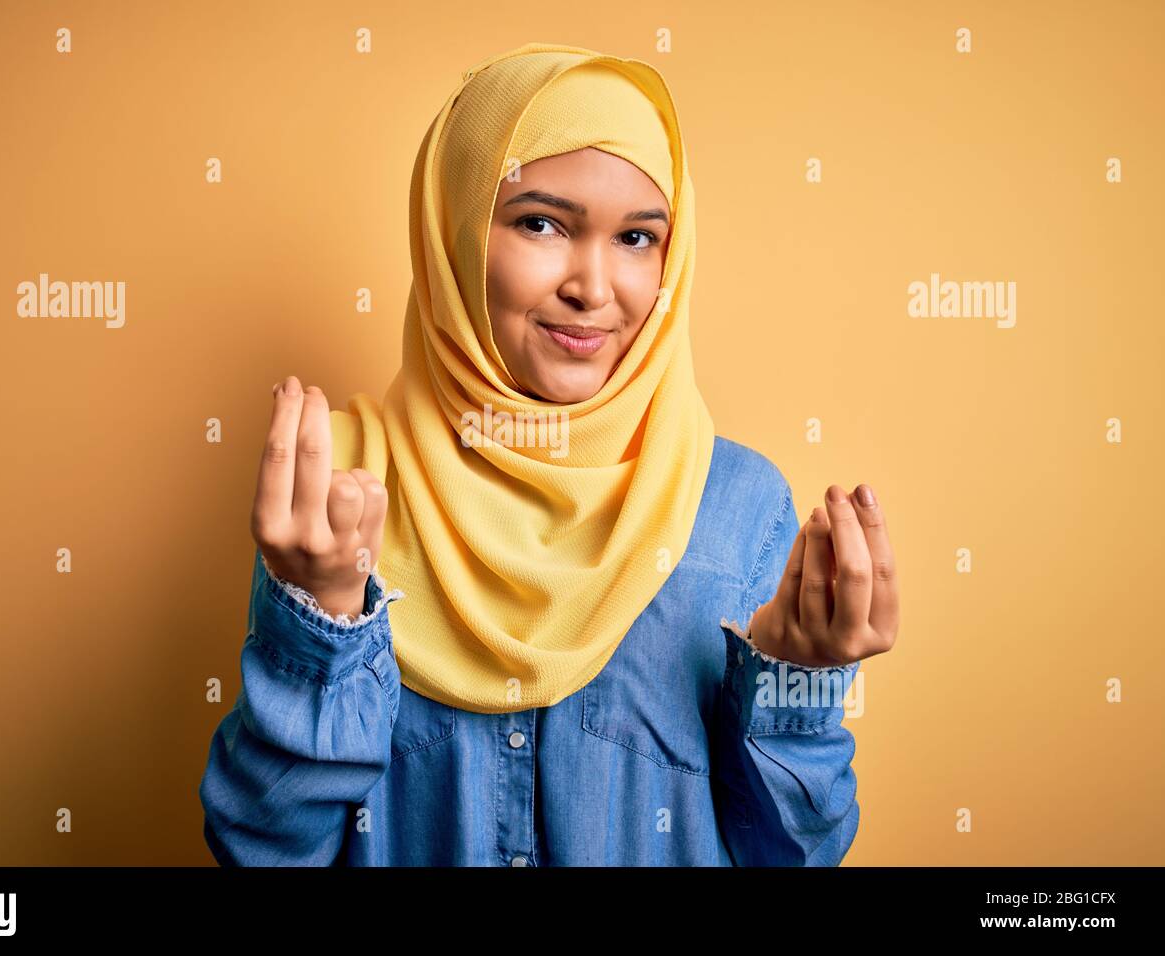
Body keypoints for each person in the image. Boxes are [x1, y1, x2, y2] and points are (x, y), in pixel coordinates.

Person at [199, 41, 899, 866]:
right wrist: (320, 620)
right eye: (541, 223)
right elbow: (264, 850)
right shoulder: (340, 495)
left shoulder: (738, 506)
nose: (594, 287)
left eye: (638, 239)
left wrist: (795, 684)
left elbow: (795, 854)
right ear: (453, 233)